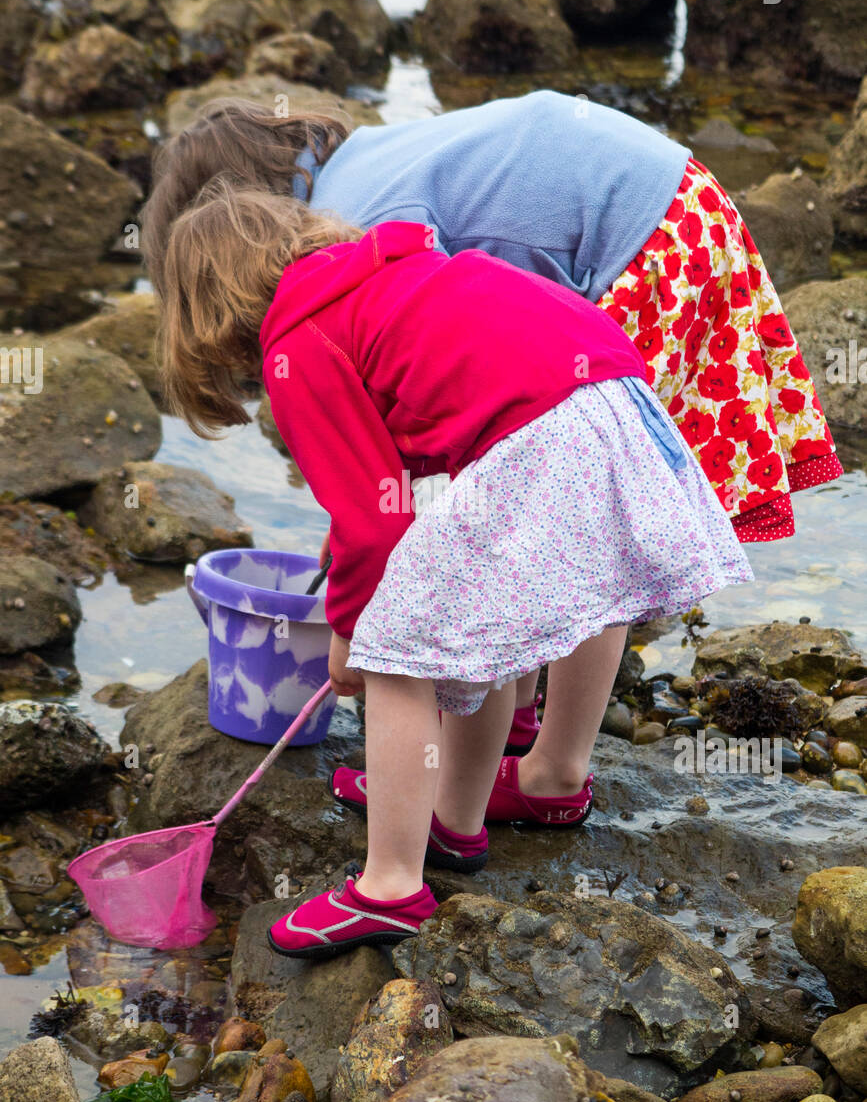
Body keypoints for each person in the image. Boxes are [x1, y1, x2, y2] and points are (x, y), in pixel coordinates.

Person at [141, 92, 841, 792]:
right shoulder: (351, 178)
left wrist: (363, 609)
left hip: (642, 236)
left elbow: (441, 373)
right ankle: (512, 719)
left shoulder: (350, 224)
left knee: (583, 523)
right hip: (671, 200)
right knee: (542, 518)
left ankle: (549, 771)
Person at [154, 180, 753, 957]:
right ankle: (455, 820)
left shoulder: (297, 341)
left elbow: (372, 525)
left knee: (399, 657)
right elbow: (390, 483)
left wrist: (348, 637)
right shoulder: (387, 277)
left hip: (544, 432)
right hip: (611, 400)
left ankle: (390, 886)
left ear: (203, 308)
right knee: (483, 625)